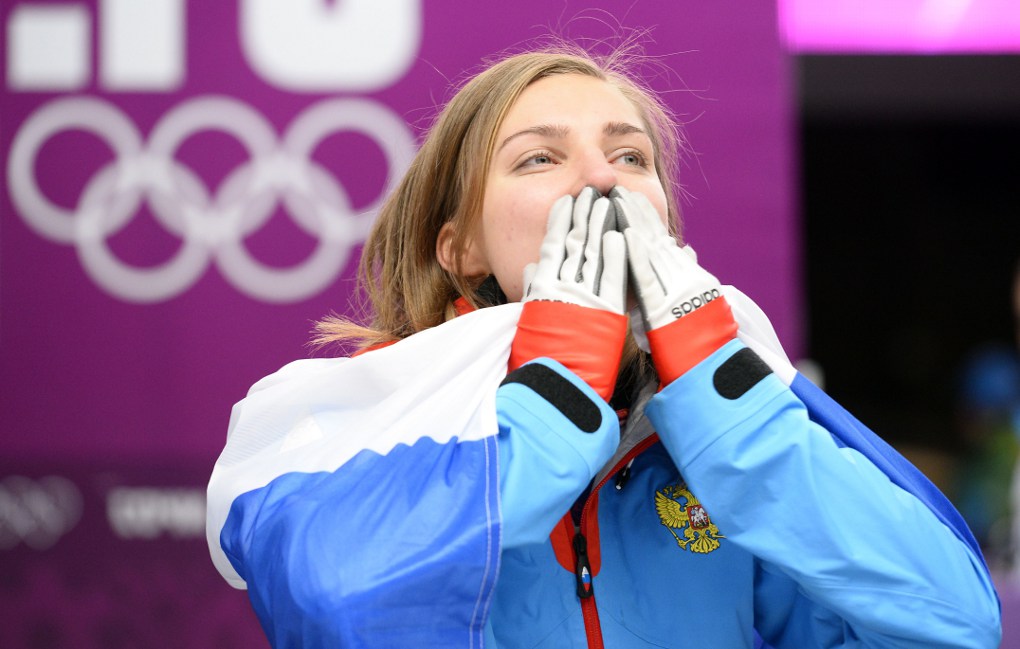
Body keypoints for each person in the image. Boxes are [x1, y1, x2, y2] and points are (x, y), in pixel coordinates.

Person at [206, 43, 1002, 648]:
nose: (603, 182)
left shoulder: (734, 433)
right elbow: (338, 606)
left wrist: (732, 406)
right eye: (540, 158)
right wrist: (552, 399)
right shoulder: (359, 423)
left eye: (630, 156)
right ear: (462, 249)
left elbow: (953, 622)